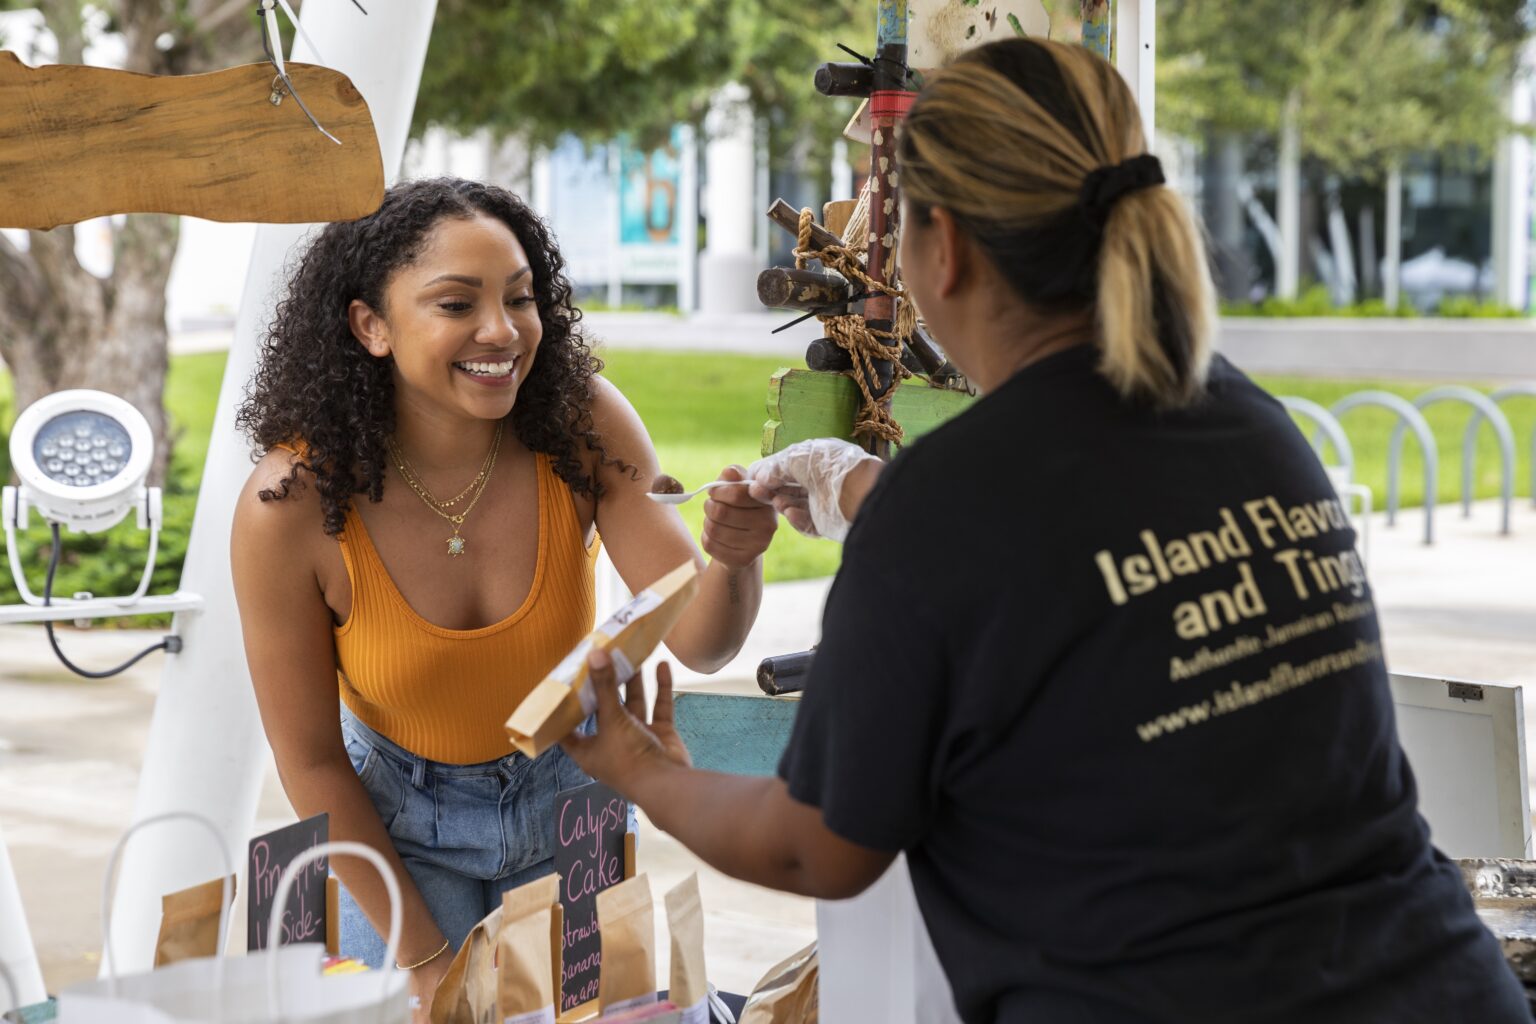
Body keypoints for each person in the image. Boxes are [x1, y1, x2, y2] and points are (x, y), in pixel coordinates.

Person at [559, 38, 1528, 1024]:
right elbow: (1084, 541)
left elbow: (815, 845)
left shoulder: (947, 506)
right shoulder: (1246, 421)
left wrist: (643, 770)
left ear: (945, 247)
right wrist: (866, 491)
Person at [230, 177, 776, 1020]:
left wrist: (735, 561)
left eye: (520, 298)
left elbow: (703, 641)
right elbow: (310, 760)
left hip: (572, 791)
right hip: (391, 824)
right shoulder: (289, 506)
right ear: (371, 326)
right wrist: (425, 962)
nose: (502, 331)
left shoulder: (577, 425)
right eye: (457, 304)